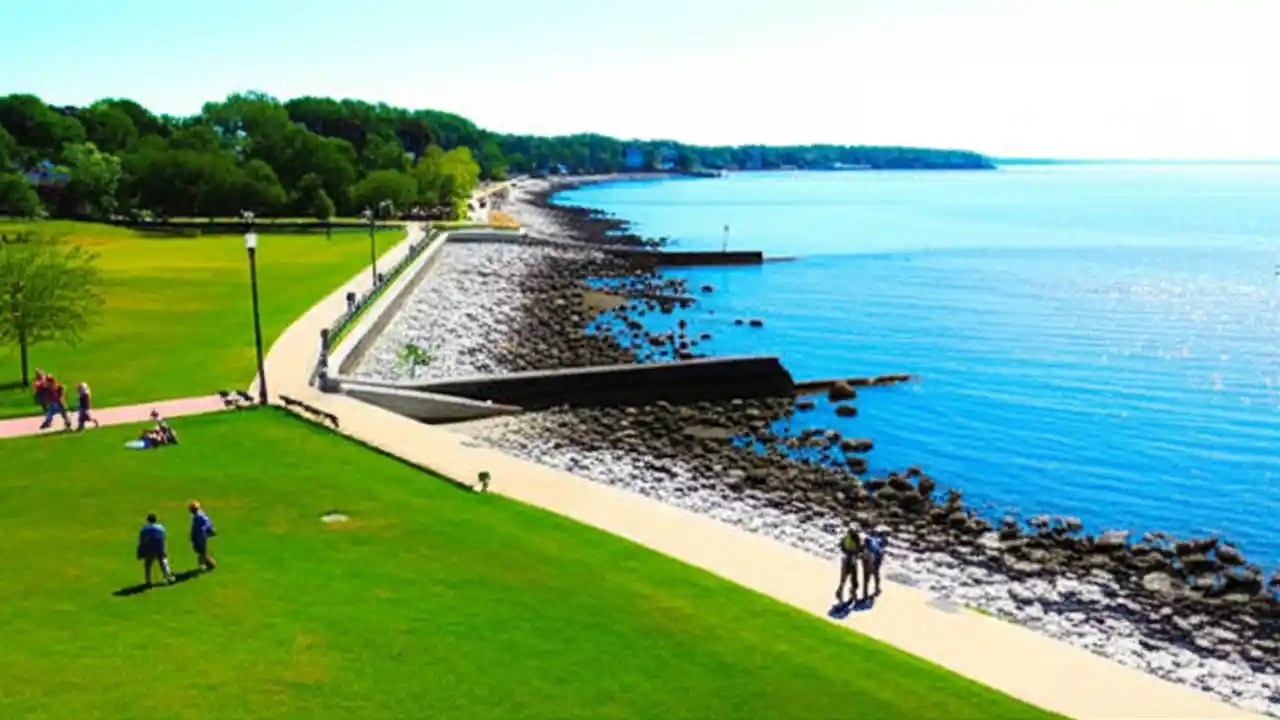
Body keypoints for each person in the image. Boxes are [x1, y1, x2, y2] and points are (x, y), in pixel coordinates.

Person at [137, 513, 175, 585]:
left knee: (148, 565)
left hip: (150, 549)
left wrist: (140, 551)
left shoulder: (145, 529)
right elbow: (163, 538)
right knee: (163, 562)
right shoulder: (161, 527)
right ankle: (169, 577)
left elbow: (142, 541)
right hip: (160, 547)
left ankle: (148, 580)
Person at [834, 523, 863, 605]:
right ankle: (850, 595)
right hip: (851, 561)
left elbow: (841, 546)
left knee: (844, 580)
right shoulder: (855, 539)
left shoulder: (846, 537)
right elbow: (858, 550)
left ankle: (842, 594)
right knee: (853, 580)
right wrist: (858, 553)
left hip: (846, 560)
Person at [188, 501, 217, 571]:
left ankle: (208, 564)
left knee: (202, 551)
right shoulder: (197, 515)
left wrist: (208, 530)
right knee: (199, 550)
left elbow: (206, 524)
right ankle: (205, 564)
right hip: (198, 535)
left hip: (200, 536)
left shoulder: (200, 516)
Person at [862, 525, 888, 599]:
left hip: (866, 560)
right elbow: (882, 549)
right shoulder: (880, 540)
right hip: (875, 561)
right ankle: (876, 589)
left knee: (866, 578)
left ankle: (865, 594)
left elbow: (862, 549)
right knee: (876, 575)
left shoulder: (867, 539)